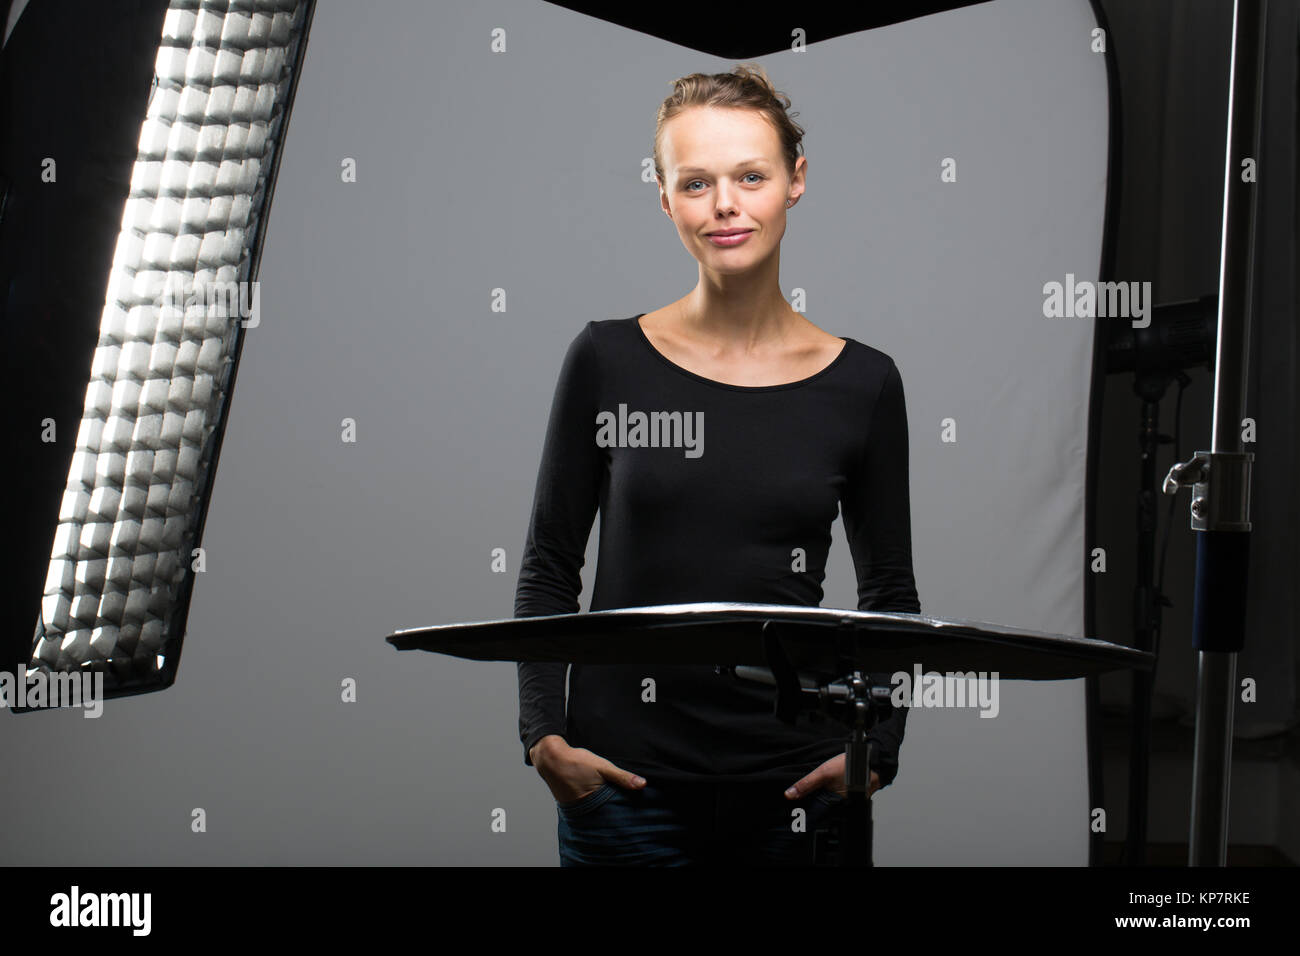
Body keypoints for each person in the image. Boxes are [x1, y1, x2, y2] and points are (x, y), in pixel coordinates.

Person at [514, 64, 921, 866]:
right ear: (664, 196)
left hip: (795, 788)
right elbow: (550, 567)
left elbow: (891, 594)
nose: (725, 204)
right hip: (627, 791)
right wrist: (544, 738)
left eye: (750, 176)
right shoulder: (606, 359)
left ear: (795, 181)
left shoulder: (864, 382)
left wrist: (884, 746)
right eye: (695, 182)